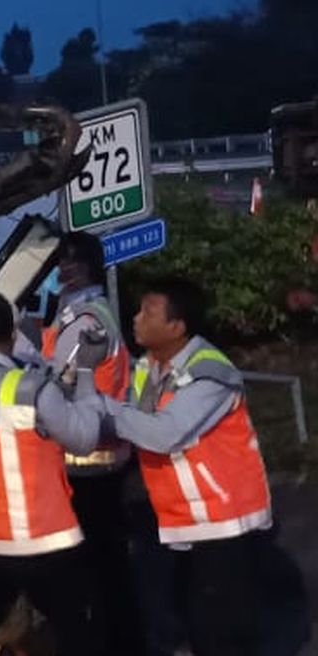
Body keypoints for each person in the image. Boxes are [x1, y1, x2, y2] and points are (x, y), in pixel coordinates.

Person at [101, 277, 273, 656]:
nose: (136, 319)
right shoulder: (149, 367)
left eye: (148, 312)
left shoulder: (211, 373)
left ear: (176, 327)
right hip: (182, 519)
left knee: (221, 634)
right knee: (193, 624)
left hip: (223, 521)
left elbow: (166, 434)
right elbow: (136, 424)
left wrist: (103, 408)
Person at [0, 289, 104, 656]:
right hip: (46, 542)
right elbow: (84, 439)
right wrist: (87, 378)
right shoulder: (33, 389)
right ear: (13, 335)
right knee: (78, 637)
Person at [42, 232, 143, 655]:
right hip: (103, 456)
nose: (64, 269)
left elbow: (56, 384)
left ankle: (109, 643)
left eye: (72, 262)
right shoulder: (88, 312)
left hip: (87, 464)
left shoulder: (83, 319)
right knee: (109, 565)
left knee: (95, 569)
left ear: (89, 268)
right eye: (60, 261)